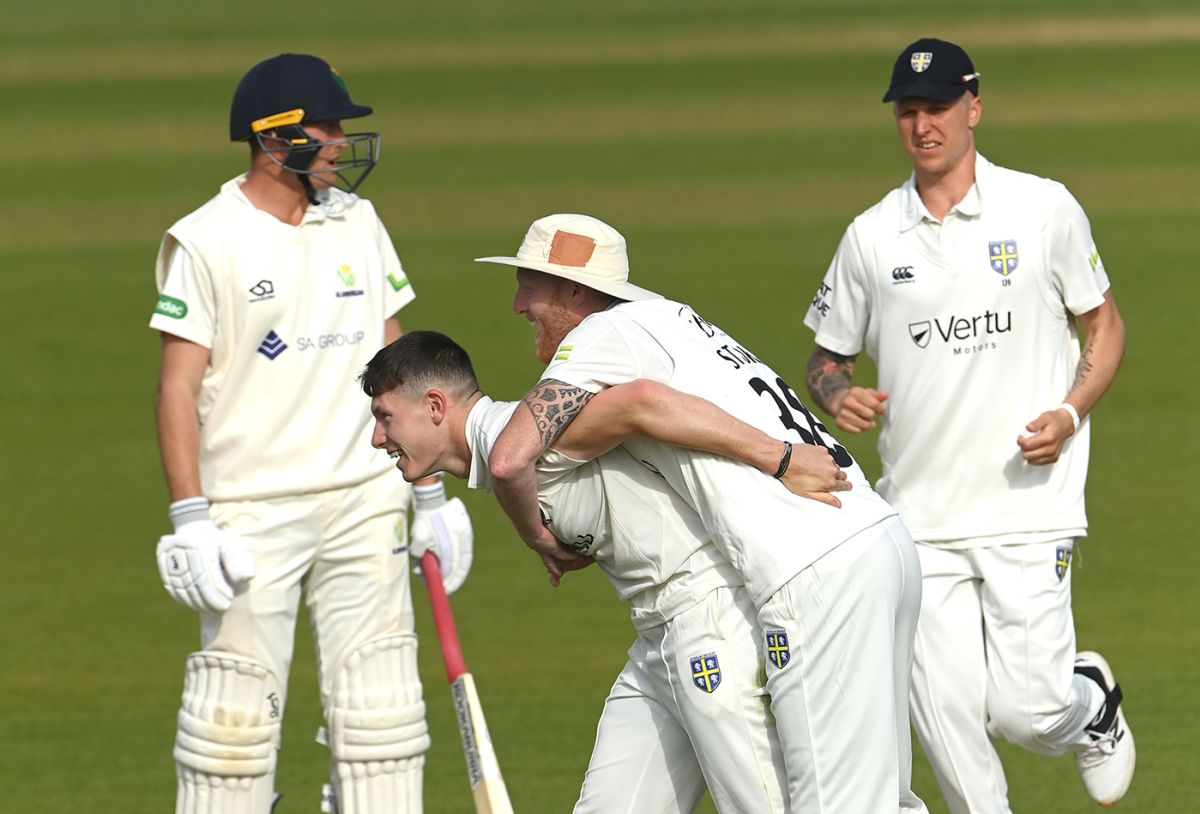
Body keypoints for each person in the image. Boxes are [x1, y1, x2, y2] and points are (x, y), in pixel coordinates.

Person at [479, 213, 928, 813]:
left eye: (529, 284)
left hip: (813, 568)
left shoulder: (600, 335)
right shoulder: (673, 318)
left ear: (574, 290)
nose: (517, 304)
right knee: (885, 802)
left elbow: (510, 457)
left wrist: (536, 533)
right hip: (879, 540)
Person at [801, 37, 1133, 812]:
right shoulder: (872, 236)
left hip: (1026, 504)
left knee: (1028, 712)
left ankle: (1090, 703)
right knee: (947, 724)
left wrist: (1068, 411)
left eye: (939, 107)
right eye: (909, 111)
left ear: (974, 107)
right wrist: (836, 394)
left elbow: (1105, 326)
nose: (923, 125)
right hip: (917, 517)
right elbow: (826, 357)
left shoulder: (1042, 208)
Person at [149, 54, 472, 814]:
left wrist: (428, 493)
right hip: (251, 512)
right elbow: (175, 388)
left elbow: (398, 362)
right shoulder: (206, 240)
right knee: (231, 726)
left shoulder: (356, 221)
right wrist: (190, 519)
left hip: (364, 501)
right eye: (325, 127)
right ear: (272, 140)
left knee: (382, 719)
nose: (337, 141)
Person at [360, 329, 855, 812]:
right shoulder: (506, 452)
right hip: (658, 638)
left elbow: (636, 402)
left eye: (385, 417)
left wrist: (781, 457)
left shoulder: (524, 437)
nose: (378, 437)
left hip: (710, 624)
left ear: (434, 406)